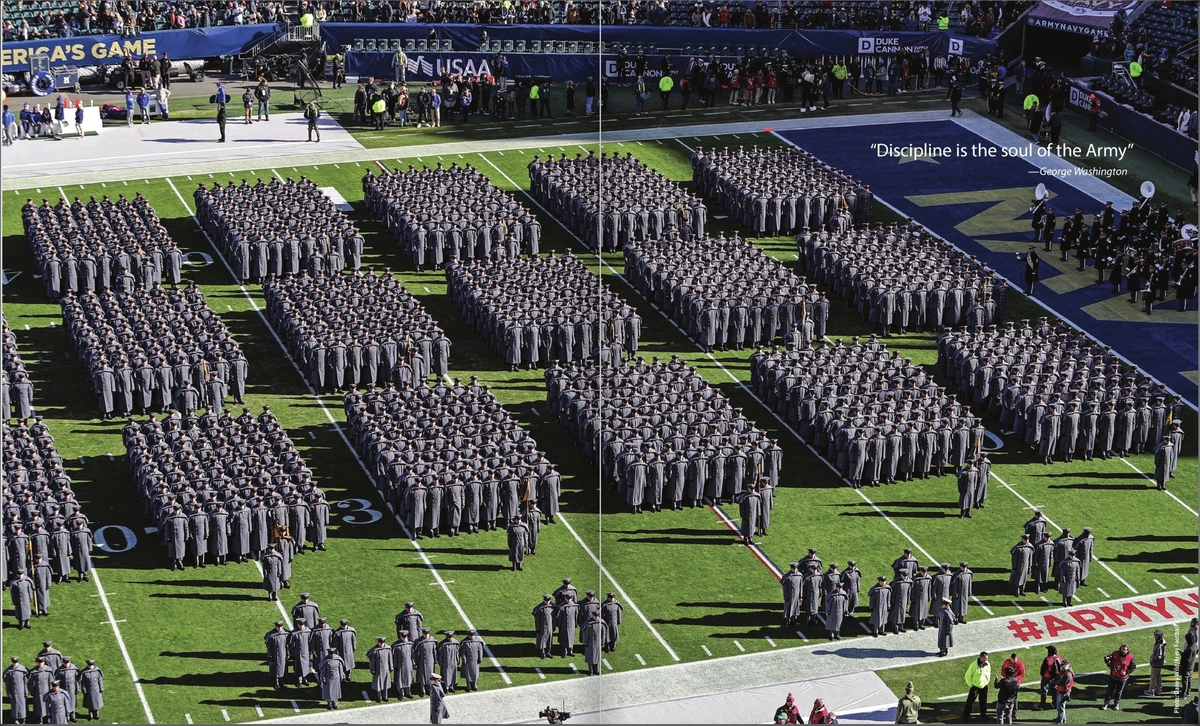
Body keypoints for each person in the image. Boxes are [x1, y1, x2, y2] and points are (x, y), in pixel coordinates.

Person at [1102, 643, 1136, 711]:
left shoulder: (1130, 657)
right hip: (1113, 676)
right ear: (1120, 649)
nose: (1123, 651)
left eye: (1125, 650)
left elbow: (1133, 666)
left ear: (1127, 651)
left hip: (1123, 678)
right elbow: (1108, 659)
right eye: (1122, 649)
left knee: (1119, 692)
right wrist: (1109, 664)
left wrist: (1126, 672)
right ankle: (1106, 703)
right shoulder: (1115, 653)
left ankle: (1116, 703)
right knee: (1109, 691)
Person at [963, 651, 991, 722]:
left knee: (983, 701)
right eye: (985, 659)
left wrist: (987, 681)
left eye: (987, 659)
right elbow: (968, 676)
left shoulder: (987, 664)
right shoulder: (973, 665)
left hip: (984, 685)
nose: (986, 660)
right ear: (981, 657)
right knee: (970, 702)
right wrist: (971, 685)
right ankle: (965, 715)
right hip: (975, 687)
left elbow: (989, 672)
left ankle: (983, 713)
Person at [3, 656, 28, 724]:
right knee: (15, 706)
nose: (15, 664)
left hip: (21, 691)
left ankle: (23, 719)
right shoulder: (9, 671)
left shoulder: (22, 670)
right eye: (14, 662)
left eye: (16, 662)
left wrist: (26, 691)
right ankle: (15, 719)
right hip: (13, 692)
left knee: (22, 706)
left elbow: (25, 682)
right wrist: (9, 693)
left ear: (18, 662)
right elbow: (7, 684)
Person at [1051, 659, 1074, 724]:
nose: (1062, 667)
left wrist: (1053, 682)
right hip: (1060, 691)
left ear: (1068, 666)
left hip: (1063, 693)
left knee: (1060, 707)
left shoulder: (1068, 675)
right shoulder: (1065, 671)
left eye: (1064, 666)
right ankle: (1063, 719)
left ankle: (1060, 721)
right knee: (1060, 707)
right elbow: (1059, 676)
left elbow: (1061, 682)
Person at [1146, 629, 1166, 696]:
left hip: (1156, 664)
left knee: (1153, 677)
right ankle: (1159, 690)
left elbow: (1159, 656)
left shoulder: (1160, 645)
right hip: (1159, 664)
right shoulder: (1161, 642)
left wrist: (1153, 660)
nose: (1155, 637)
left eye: (1156, 635)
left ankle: (1151, 691)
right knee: (1158, 677)